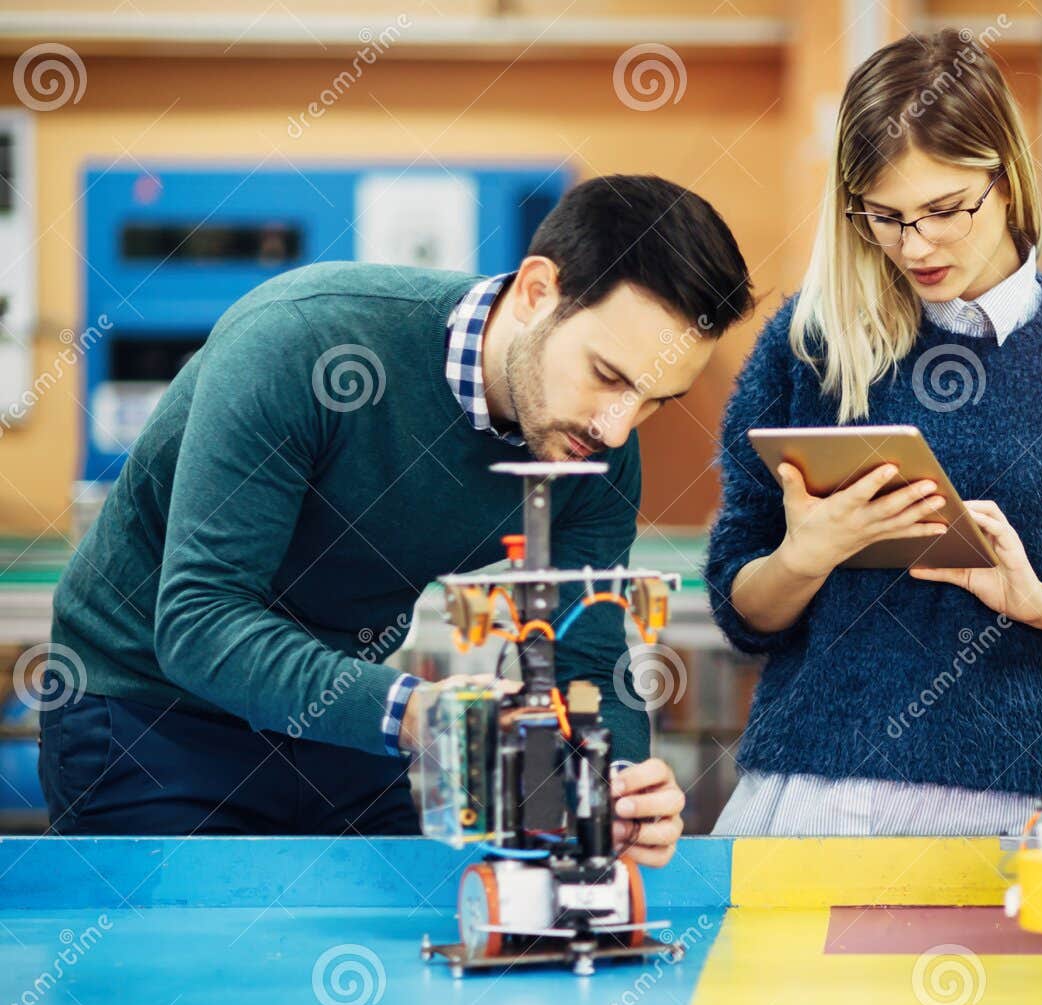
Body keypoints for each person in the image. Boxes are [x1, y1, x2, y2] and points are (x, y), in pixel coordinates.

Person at [41, 174, 755, 860]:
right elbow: (201, 620)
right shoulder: (303, 343)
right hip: (149, 714)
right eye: (610, 375)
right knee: (188, 976)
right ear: (539, 290)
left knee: (399, 947)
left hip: (338, 723)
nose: (619, 426)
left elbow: (585, 649)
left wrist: (617, 788)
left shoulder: (591, 448)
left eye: (659, 399)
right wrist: (419, 712)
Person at [706, 31, 1042, 835]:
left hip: (1019, 813)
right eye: (886, 217)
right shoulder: (809, 342)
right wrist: (805, 556)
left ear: (1007, 179)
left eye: (944, 210)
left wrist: (1040, 602)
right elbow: (740, 605)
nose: (916, 246)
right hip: (808, 796)